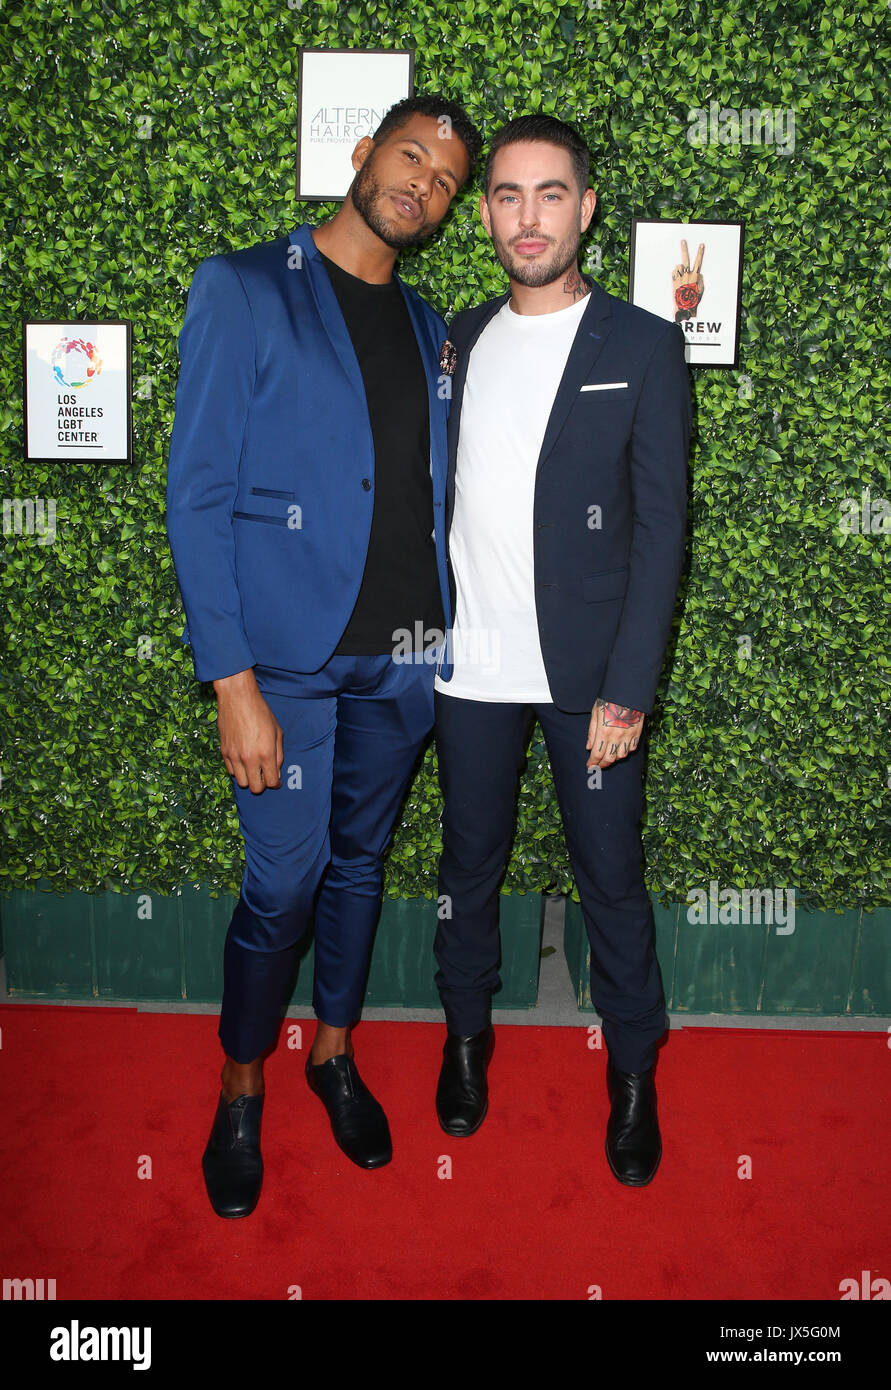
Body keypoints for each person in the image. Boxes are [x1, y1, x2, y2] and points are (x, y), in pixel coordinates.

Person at [166, 95, 481, 1218]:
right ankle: (242, 1078)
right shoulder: (245, 288)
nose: (421, 185)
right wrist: (232, 680)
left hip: (403, 659)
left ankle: (332, 1055)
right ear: (362, 154)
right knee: (285, 879)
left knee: (360, 865)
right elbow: (196, 496)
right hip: (286, 667)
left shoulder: (431, 324)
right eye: (409, 157)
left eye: (445, 179)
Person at [431, 115, 691, 1186]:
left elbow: (661, 529)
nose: (525, 216)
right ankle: (465, 1037)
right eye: (504, 195)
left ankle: (633, 1074)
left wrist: (630, 688)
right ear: (484, 211)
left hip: (590, 684)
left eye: (549, 194)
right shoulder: (455, 335)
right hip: (468, 672)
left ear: (586, 209)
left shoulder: (640, 344)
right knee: (466, 871)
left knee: (611, 881)